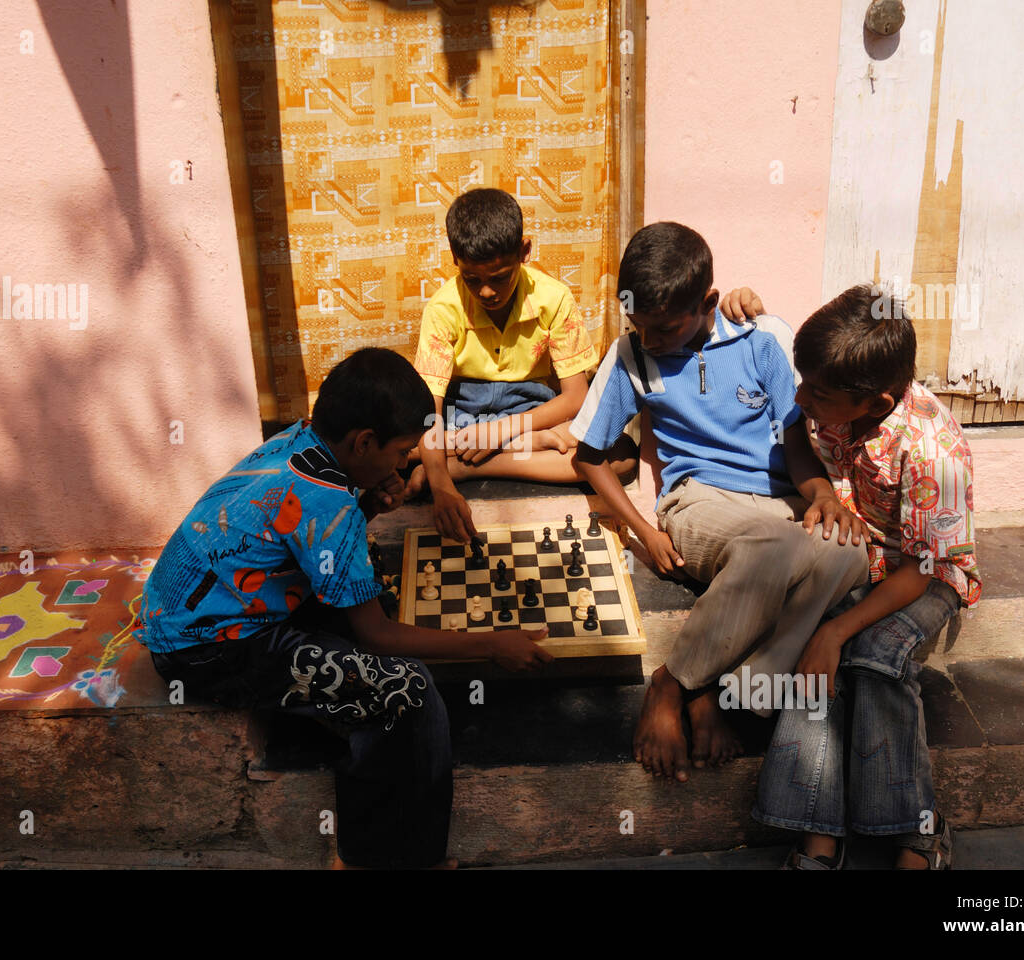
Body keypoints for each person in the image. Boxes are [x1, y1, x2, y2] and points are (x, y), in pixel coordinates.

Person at [135, 348, 552, 869]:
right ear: (363, 442)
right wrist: (490, 642)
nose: (404, 465)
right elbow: (379, 636)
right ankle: (376, 859)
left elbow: (308, 527)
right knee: (407, 691)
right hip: (207, 648)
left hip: (203, 606)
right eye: (402, 452)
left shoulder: (300, 438)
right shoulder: (328, 506)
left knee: (371, 578)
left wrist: (368, 504)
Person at [571, 222, 870, 780]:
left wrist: (824, 495)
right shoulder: (631, 353)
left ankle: (725, 687)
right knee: (780, 546)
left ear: (708, 300)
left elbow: (797, 440)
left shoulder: (763, 337)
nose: (650, 341)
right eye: (638, 326)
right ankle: (672, 684)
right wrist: (643, 530)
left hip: (779, 505)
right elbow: (587, 457)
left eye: (664, 328)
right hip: (697, 502)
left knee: (849, 555)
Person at [750, 284, 981, 869]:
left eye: (817, 393)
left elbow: (923, 568)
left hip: (925, 572)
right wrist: (821, 492)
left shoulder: (933, 447)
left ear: (874, 401)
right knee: (812, 645)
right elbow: (796, 440)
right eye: (802, 382)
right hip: (862, 556)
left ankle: (917, 835)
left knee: (874, 654)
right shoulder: (825, 399)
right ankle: (819, 833)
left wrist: (837, 632)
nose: (800, 397)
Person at [407, 187, 637, 542]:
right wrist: (442, 491)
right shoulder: (442, 309)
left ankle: (464, 465)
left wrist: (497, 435)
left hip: (528, 412)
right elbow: (430, 413)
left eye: (499, 277)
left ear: (524, 252)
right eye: (472, 280)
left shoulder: (553, 298)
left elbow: (576, 397)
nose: (486, 292)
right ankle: (480, 452)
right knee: (407, 444)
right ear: (455, 259)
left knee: (621, 455)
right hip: (465, 418)